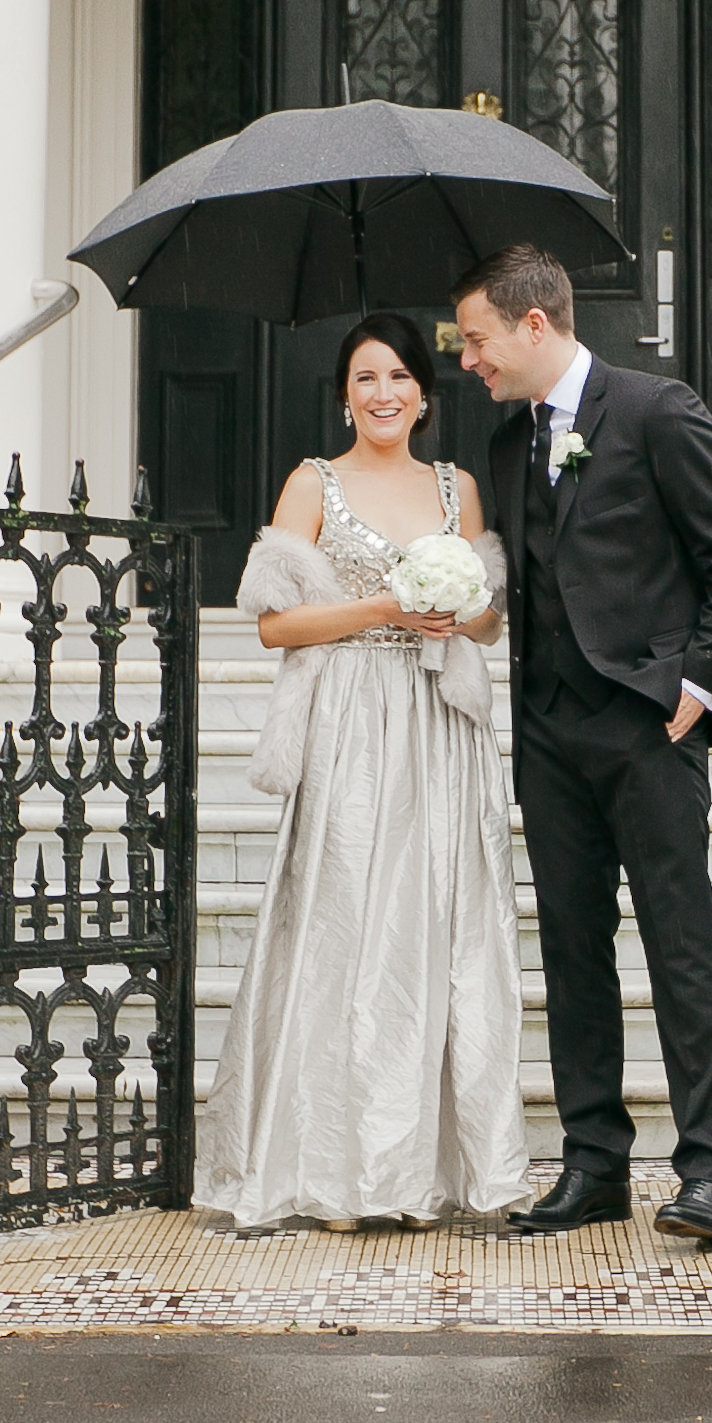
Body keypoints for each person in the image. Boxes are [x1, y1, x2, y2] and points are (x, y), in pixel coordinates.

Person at [453, 244, 712, 1245]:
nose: (468, 361)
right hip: (547, 730)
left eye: (476, 339)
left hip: (645, 722)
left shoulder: (655, 409)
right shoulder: (508, 446)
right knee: (571, 946)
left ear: (533, 326)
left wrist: (696, 687)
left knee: (681, 942)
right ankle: (592, 1162)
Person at [194, 312, 530, 1231]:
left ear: (425, 391)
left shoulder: (459, 487)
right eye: (365, 377)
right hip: (350, 719)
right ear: (344, 392)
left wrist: (455, 613)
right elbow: (271, 622)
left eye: (399, 377)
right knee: (345, 930)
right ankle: (334, 1174)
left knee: (438, 932)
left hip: (439, 724)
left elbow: (493, 617)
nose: (383, 393)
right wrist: (384, 603)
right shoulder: (314, 482)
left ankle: (415, 1172)